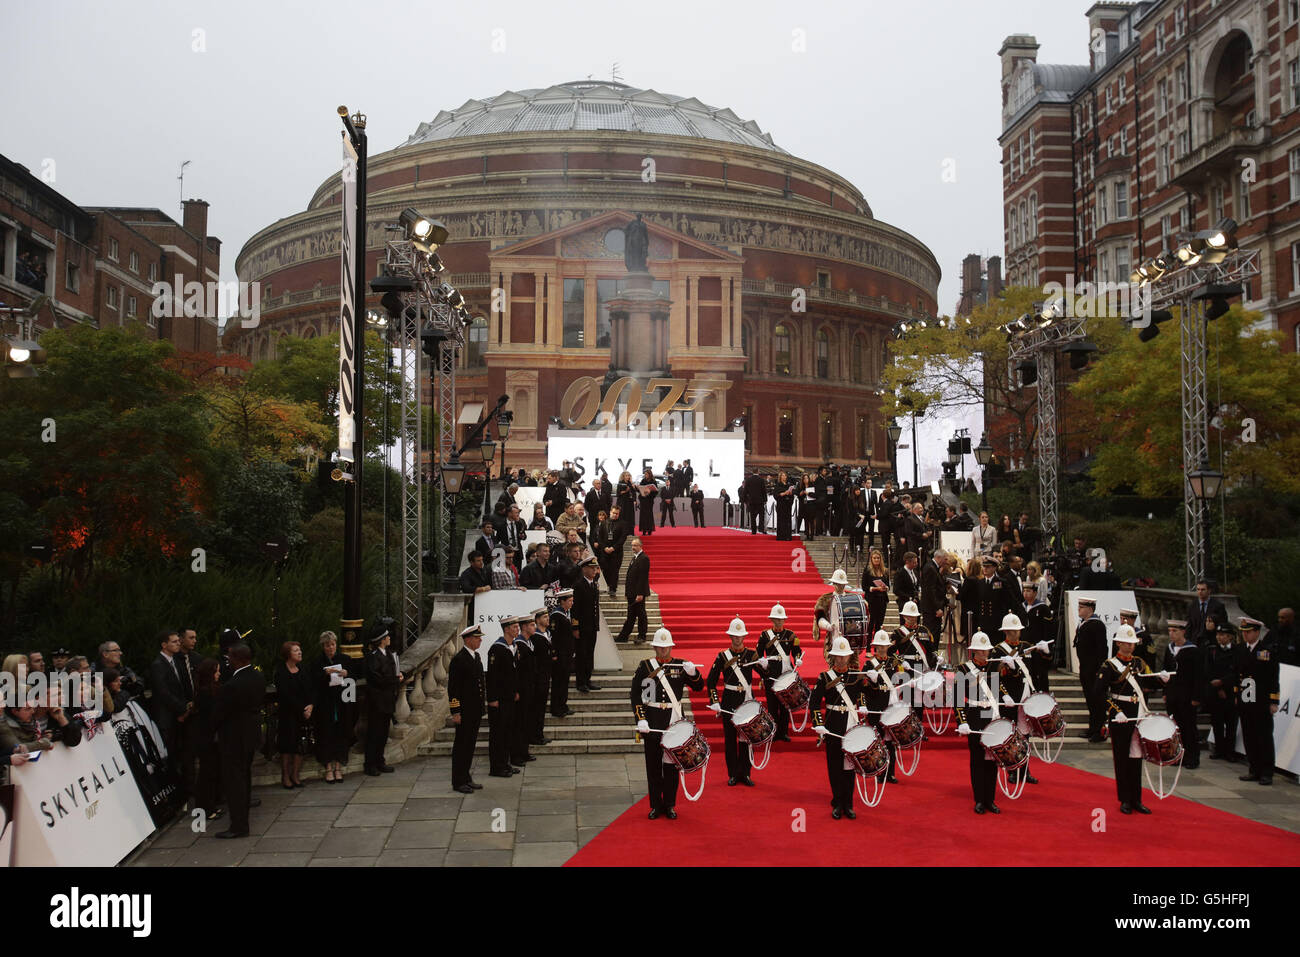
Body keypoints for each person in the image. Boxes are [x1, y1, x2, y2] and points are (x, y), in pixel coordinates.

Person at [631, 628, 704, 820]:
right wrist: (641, 718)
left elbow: (699, 686)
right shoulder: (645, 666)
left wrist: (694, 672)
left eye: (666, 647)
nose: (663, 651)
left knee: (671, 766)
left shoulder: (680, 665)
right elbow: (636, 694)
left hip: (673, 721)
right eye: (660, 647)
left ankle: (670, 804)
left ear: (671, 647)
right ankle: (655, 804)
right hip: (653, 720)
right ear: (654, 647)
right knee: (653, 766)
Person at [1096, 625, 1161, 814]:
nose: (1130, 647)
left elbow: (1150, 680)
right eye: (1126, 643)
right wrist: (1114, 712)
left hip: (1138, 714)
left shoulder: (1139, 662)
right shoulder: (1109, 665)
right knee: (1122, 758)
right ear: (1118, 643)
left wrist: (1163, 679)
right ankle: (1124, 799)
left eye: (1132, 643)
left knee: (1137, 758)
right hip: (1121, 715)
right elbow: (1099, 692)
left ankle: (1136, 799)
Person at [810, 636, 866, 820]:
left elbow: (862, 695)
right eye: (838, 656)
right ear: (833, 657)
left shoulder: (856, 677)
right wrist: (818, 723)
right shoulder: (825, 677)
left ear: (849, 657)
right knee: (834, 767)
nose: (841, 659)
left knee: (849, 768)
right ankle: (837, 801)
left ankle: (848, 804)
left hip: (851, 726)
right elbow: (814, 703)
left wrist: (864, 704)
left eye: (844, 656)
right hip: (832, 727)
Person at [212, 643, 265, 838]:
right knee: (245, 777)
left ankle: (239, 826)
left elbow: (219, 714)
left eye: (230, 657)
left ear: (238, 659)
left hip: (234, 738)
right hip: (250, 735)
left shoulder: (233, 685)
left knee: (235, 783)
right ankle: (242, 820)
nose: (228, 660)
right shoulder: (257, 676)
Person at [706, 617, 766, 787]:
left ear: (744, 637)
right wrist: (715, 700)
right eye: (735, 636)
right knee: (731, 740)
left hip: (746, 701)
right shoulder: (723, 656)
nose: (737, 639)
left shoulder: (751, 654)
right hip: (729, 701)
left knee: (747, 739)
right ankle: (732, 773)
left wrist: (765, 665)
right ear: (730, 637)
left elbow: (765, 675)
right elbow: (711, 680)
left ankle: (745, 773)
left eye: (740, 636)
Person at [994, 614, 1044, 786]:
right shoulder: (998, 650)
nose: (1017, 633)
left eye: (1018, 630)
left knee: (1025, 735)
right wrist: (1003, 695)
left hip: (1026, 694)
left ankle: (1025, 770)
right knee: (1010, 736)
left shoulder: (1026, 647)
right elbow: (995, 678)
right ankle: (1012, 770)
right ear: (1006, 631)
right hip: (1010, 698)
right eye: (1014, 630)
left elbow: (1038, 669)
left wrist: (1046, 653)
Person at [955, 631, 1001, 814]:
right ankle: (979, 799)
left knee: (992, 760)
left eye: (986, 651)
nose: (985, 654)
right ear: (973, 651)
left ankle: (991, 799)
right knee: (977, 761)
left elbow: (998, 689)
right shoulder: (963, 670)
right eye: (981, 651)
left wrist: (1006, 697)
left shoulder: (993, 667)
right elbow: (958, 698)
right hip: (974, 716)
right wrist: (962, 721)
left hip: (992, 716)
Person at [1234, 617, 1279, 786]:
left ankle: (1267, 771)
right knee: (1249, 735)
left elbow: (1273, 678)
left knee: (1264, 737)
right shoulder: (1240, 650)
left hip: (1260, 700)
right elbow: (1237, 673)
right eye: (1243, 632)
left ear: (1257, 632)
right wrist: (1237, 695)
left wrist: (1273, 701)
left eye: (1248, 632)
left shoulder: (1266, 651)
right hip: (1246, 699)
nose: (1245, 635)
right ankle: (1254, 768)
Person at [147, 628, 192, 779]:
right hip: (167, 717)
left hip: (180, 715)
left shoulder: (177, 661)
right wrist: (181, 709)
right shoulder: (158, 664)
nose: (178, 644)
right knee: (170, 753)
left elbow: (182, 686)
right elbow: (163, 692)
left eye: (179, 641)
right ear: (164, 645)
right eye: (174, 642)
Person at [862, 632, 907, 783]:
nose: (882, 649)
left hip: (891, 705)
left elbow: (902, 678)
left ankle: (890, 772)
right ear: (875, 647)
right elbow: (864, 688)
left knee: (891, 741)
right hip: (875, 706)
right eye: (879, 646)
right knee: (878, 741)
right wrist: (872, 681)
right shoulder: (869, 664)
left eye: (884, 646)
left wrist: (905, 671)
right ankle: (879, 771)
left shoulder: (894, 662)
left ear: (888, 647)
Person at [755, 603, 802, 743]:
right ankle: (773, 733)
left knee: (785, 706)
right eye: (776, 619)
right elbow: (757, 654)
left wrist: (798, 659)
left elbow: (797, 651)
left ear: (784, 620)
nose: (778, 621)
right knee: (772, 706)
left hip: (786, 674)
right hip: (770, 673)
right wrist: (762, 665)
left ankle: (783, 732)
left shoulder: (791, 635)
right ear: (772, 620)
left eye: (781, 619)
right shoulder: (765, 635)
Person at [448, 624, 487, 793]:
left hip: (474, 710)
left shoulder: (476, 657)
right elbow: (454, 689)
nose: (480, 640)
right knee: (461, 745)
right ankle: (458, 780)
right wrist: (456, 711)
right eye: (477, 638)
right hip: (464, 711)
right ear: (468, 639)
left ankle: (466, 776)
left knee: (470, 745)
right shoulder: (459, 660)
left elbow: (480, 684)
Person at [312, 631, 353, 784]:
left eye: (333, 644)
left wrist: (346, 673)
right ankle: (328, 768)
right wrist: (325, 674)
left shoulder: (345, 659)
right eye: (327, 645)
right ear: (323, 646)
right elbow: (314, 683)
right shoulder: (317, 662)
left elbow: (353, 681)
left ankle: (338, 767)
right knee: (326, 735)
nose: (330, 648)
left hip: (342, 704)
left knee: (341, 735)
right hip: (325, 705)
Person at [273, 641, 313, 789]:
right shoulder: (281, 672)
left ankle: (296, 775)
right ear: (288, 654)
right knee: (287, 746)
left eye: (300, 650)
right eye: (296, 650)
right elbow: (286, 695)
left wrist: (310, 706)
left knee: (300, 745)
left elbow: (310, 689)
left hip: (303, 715)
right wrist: (302, 708)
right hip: (288, 714)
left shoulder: (303, 669)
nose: (299, 652)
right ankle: (286, 776)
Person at [1161, 619, 1200, 770]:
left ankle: (1192, 757)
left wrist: (1196, 697)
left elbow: (1198, 676)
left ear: (1183, 631)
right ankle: (1177, 755)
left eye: (1175, 631)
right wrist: (1165, 690)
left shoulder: (1192, 650)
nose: (1171, 634)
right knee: (1174, 727)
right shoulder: (1169, 649)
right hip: (1173, 694)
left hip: (1187, 695)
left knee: (1189, 727)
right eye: (1170, 631)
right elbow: (1166, 670)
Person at [363, 625, 401, 776]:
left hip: (388, 699)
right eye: (387, 636)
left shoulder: (390, 654)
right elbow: (376, 678)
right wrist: (394, 679)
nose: (389, 638)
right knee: (374, 733)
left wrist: (399, 675)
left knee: (383, 733)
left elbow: (393, 672)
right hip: (377, 701)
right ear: (381, 640)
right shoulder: (373, 657)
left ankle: (380, 760)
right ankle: (370, 764)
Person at [487, 617, 522, 777]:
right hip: (499, 699)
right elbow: (493, 677)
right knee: (498, 734)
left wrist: (515, 691)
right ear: (507, 629)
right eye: (515, 627)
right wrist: (492, 698)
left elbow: (513, 673)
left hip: (509, 697)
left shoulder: (513, 646)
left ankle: (506, 763)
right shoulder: (497, 649)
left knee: (508, 732)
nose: (517, 629)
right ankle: (497, 766)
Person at [189, 658, 222, 821]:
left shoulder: (211, 690)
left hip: (209, 737)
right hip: (205, 738)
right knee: (206, 774)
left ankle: (210, 805)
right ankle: (204, 809)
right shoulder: (205, 693)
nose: (219, 674)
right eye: (216, 671)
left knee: (210, 773)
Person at [1073, 596, 1109, 742]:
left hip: (1094, 670)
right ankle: (1092, 727)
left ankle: (1099, 731)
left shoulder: (1096, 625)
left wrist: (1100, 670)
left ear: (1090, 609)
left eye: (1081, 608)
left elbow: (1102, 649)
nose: (1079, 610)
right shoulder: (1084, 623)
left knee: (1097, 701)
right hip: (1085, 668)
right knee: (1090, 700)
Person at [1203, 623, 1239, 761]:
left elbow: (1236, 671)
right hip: (1215, 692)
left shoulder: (1236, 651)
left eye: (1223, 635)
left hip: (1231, 691)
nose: (1219, 638)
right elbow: (1208, 670)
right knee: (1217, 722)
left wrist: (1223, 683)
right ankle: (1219, 749)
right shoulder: (1212, 650)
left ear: (1230, 637)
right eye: (1218, 635)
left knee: (1231, 724)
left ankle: (1230, 751)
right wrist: (1217, 687)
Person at [572, 557, 603, 691]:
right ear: (584, 569)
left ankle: (588, 679)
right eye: (591, 568)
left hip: (592, 626)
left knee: (590, 654)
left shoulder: (594, 584)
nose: (594, 571)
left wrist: (596, 624)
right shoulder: (578, 585)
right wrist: (575, 626)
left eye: (595, 568)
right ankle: (581, 682)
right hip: (583, 626)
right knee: (582, 654)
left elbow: (595, 607)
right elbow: (575, 608)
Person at [1021, 582, 1054, 693]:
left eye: (1029, 591)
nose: (1025, 593)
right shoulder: (1021, 607)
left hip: (1038, 647)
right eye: (1024, 591)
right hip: (1025, 647)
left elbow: (1048, 629)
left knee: (1041, 675)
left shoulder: (1043, 608)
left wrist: (1046, 646)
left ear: (1035, 593)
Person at [617, 537, 651, 644]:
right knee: (631, 615)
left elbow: (643, 577)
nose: (633, 547)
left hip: (638, 594)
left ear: (641, 546)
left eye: (635, 545)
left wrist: (640, 593)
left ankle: (641, 636)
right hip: (632, 593)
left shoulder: (644, 558)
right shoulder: (635, 558)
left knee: (641, 615)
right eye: (632, 545)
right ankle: (624, 636)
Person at [549, 588, 576, 718]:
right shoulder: (556, 615)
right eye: (570, 601)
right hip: (560, 655)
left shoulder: (566, 613)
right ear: (562, 601)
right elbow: (553, 636)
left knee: (564, 682)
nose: (572, 603)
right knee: (558, 682)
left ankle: (563, 705)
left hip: (567, 654)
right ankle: (556, 708)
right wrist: (554, 654)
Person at [530, 607, 554, 747]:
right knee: (536, 709)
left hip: (546, 675)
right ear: (537, 620)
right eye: (544, 617)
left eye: (547, 616)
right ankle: (535, 735)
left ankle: (539, 733)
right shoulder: (535, 636)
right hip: (538, 677)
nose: (547, 619)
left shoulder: (548, 633)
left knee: (541, 708)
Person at [594, 508, 627, 596]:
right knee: (606, 570)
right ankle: (608, 585)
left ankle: (613, 588)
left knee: (614, 570)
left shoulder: (622, 524)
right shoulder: (604, 523)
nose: (615, 515)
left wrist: (613, 548)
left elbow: (623, 538)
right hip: (604, 552)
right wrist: (604, 547)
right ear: (610, 512)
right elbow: (600, 537)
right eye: (614, 513)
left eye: (617, 513)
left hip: (617, 552)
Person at [1185, 580, 1227, 647]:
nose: (1200, 592)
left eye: (1203, 590)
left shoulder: (1218, 606)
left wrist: (1213, 628)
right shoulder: (1192, 606)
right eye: (1198, 589)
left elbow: (1224, 624)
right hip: (1194, 643)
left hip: (1210, 643)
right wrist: (1187, 642)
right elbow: (1189, 626)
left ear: (1209, 591)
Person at [919, 550, 949, 640]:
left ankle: (933, 653)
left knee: (934, 634)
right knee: (931, 634)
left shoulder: (933, 567)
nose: (946, 561)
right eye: (945, 559)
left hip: (933, 608)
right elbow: (930, 591)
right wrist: (937, 608)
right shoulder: (930, 568)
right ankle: (930, 653)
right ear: (939, 558)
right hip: (931, 610)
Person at [861, 549, 891, 638]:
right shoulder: (867, 570)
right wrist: (875, 588)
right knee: (871, 623)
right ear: (871, 559)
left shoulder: (885, 571)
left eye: (878, 558)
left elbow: (888, 585)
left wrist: (886, 588)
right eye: (874, 558)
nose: (876, 560)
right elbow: (864, 587)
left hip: (882, 599)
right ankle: (869, 647)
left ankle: (877, 646)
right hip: (871, 599)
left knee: (880, 623)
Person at [773, 470, 796, 541]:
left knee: (787, 520)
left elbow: (792, 495)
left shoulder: (788, 485)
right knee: (781, 520)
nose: (784, 477)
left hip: (788, 504)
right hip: (781, 504)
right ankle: (781, 536)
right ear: (780, 477)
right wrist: (783, 493)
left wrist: (790, 494)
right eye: (783, 475)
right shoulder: (778, 485)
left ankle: (788, 536)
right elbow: (775, 495)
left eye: (785, 476)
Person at [744, 470, 767, 535]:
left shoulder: (748, 480)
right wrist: (765, 500)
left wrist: (745, 500)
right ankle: (761, 529)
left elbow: (745, 491)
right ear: (758, 472)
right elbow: (764, 490)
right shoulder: (761, 480)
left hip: (752, 501)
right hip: (760, 501)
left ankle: (753, 531)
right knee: (761, 516)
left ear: (752, 472)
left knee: (752, 516)